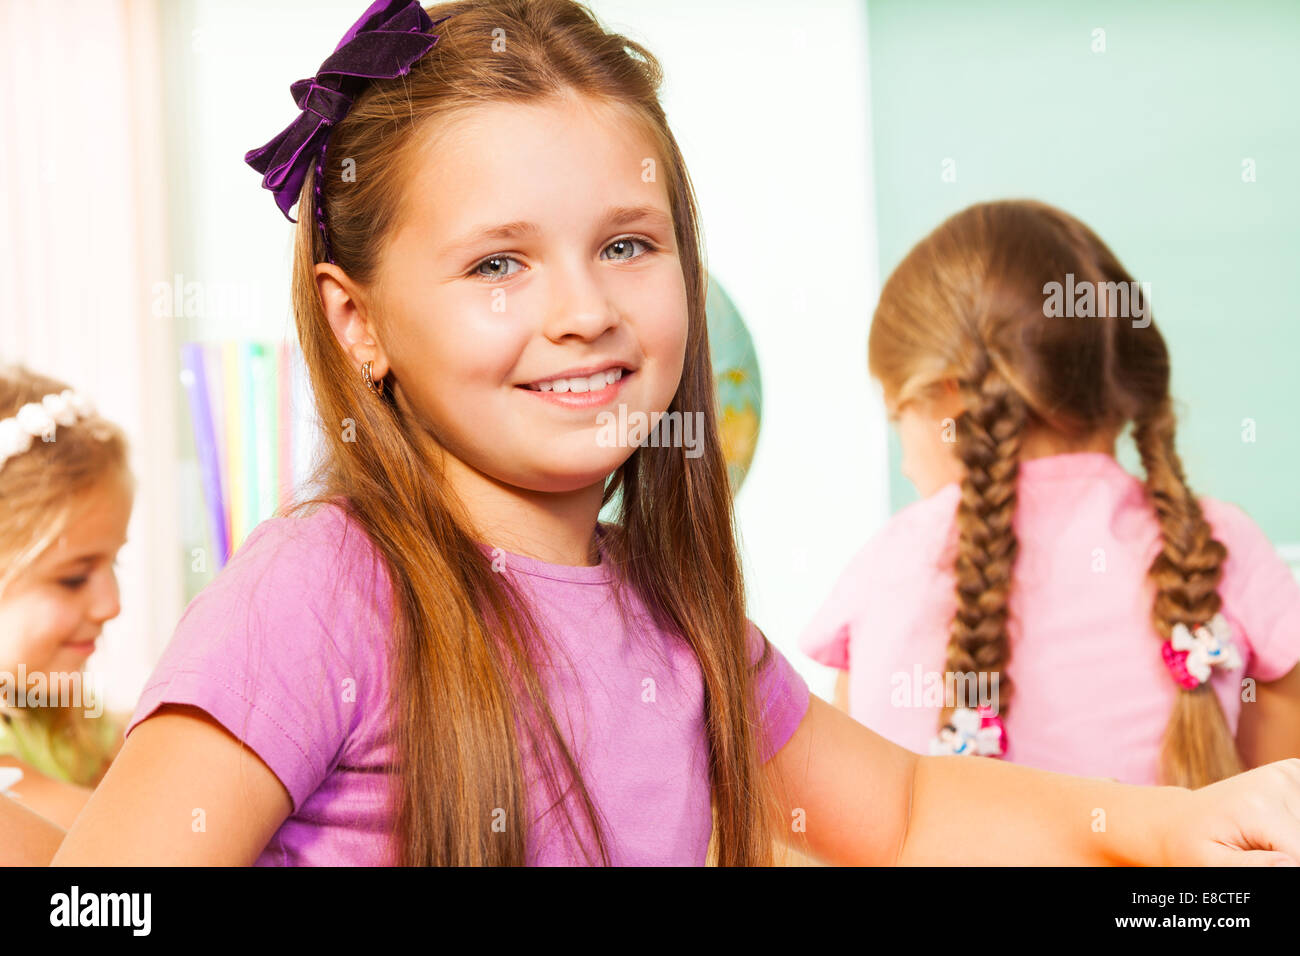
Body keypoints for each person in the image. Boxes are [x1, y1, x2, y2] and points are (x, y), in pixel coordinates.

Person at [6, 1, 1299, 867]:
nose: (584, 312)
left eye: (627, 245)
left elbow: (906, 813)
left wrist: (1170, 826)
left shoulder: (678, 621)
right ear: (360, 323)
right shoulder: (324, 592)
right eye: (499, 265)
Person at [802, 199, 1300, 787]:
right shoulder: (1220, 548)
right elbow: (1278, 821)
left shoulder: (886, 569)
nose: (907, 463)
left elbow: (839, 830)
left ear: (950, 396)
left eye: (898, 417)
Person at [0, 366, 132, 828]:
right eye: (74, 578)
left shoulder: (58, 712)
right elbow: (132, 840)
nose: (111, 605)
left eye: (113, 563)